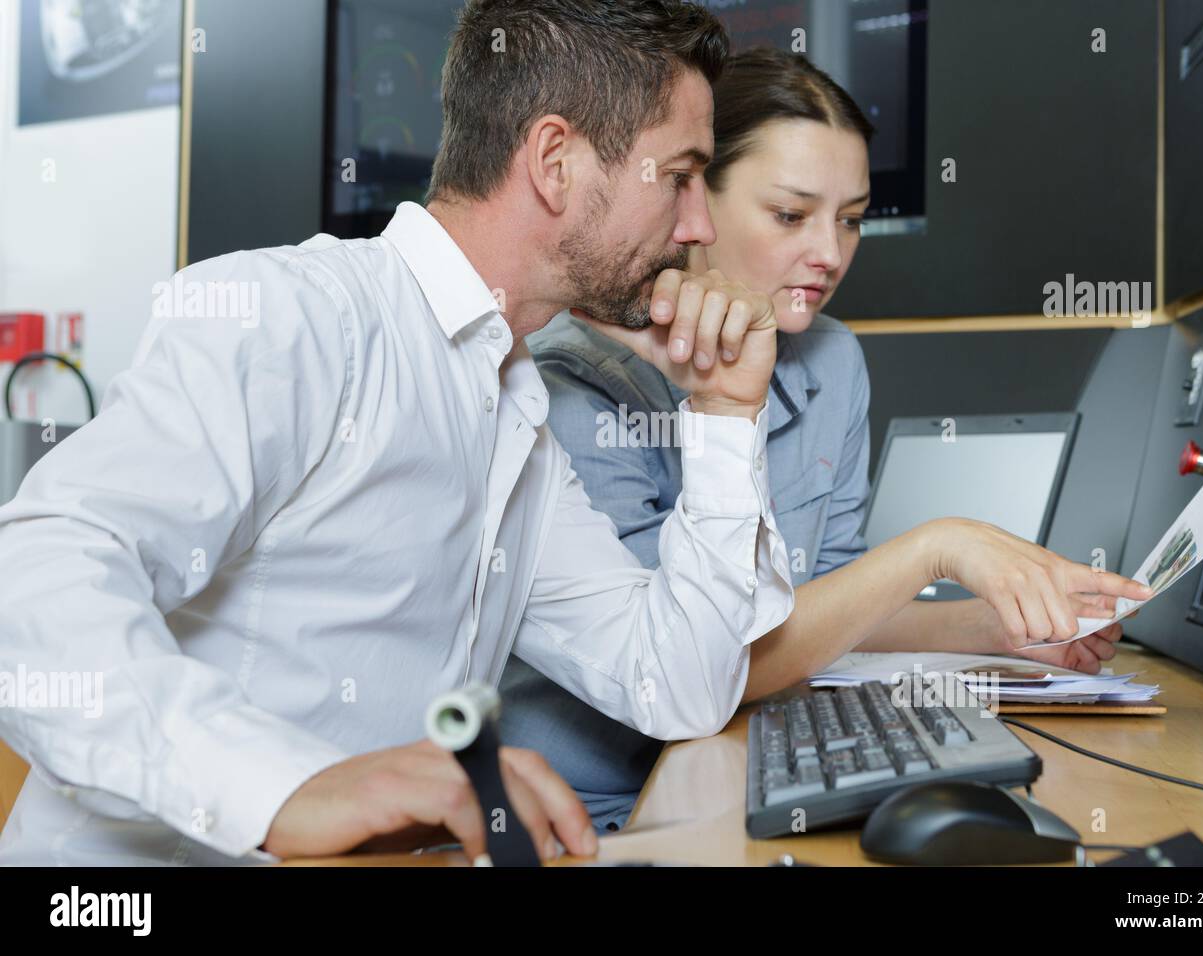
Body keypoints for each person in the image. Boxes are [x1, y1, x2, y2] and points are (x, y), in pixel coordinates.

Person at [0, 0, 800, 865]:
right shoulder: (296, 317)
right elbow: (34, 579)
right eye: (679, 176)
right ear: (556, 161)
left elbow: (676, 683)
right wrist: (280, 788)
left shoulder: (517, 417)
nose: (701, 228)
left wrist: (724, 414)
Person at [498, 48, 1150, 832]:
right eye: (790, 215)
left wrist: (1007, 633)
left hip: (740, 763)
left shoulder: (831, 360)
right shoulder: (575, 379)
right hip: (594, 812)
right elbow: (701, 666)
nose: (830, 253)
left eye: (850, 220)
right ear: (693, 199)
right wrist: (935, 548)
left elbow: (830, 612)